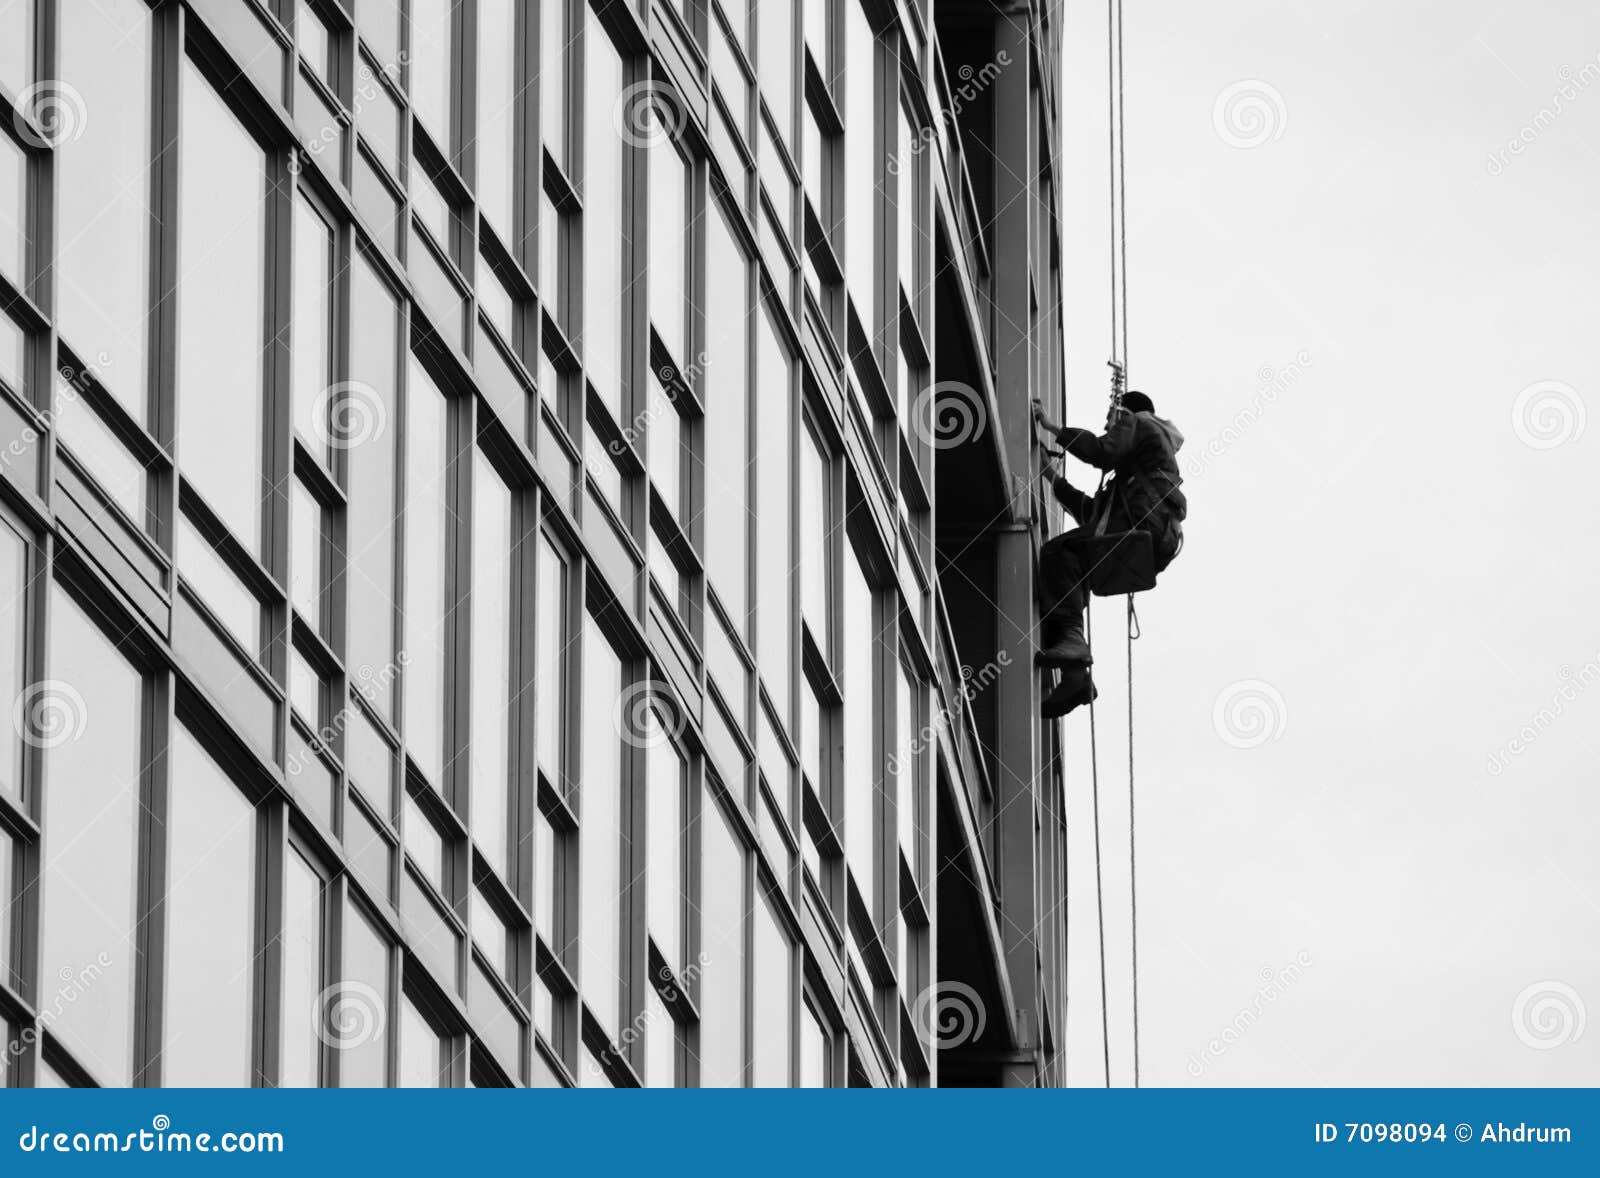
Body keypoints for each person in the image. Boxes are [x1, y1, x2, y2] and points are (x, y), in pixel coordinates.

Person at [1031, 391, 1187, 719]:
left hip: (1143, 527)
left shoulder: (1139, 422)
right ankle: (1076, 677)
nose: (1107, 426)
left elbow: (1101, 451)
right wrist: (1052, 478)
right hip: (1154, 536)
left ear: (1122, 412)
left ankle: (1073, 642)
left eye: (1110, 420)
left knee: (1059, 552)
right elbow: (1093, 515)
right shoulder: (1142, 473)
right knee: (1073, 567)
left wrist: (1051, 426)